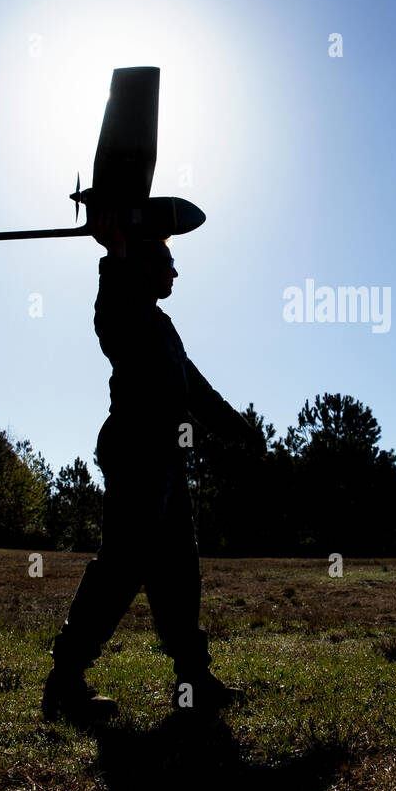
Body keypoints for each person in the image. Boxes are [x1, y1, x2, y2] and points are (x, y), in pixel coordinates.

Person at [41, 205, 261, 727]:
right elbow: (110, 311)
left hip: (166, 462)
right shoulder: (127, 310)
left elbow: (197, 392)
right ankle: (65, 682)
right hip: (136, 453)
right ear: (144, 266)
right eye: (167, 261)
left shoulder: (163, 328)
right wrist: (115, 253)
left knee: (179, 573)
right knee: (121, 566)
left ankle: (193, 680)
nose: (176, 272)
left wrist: (242, 432)